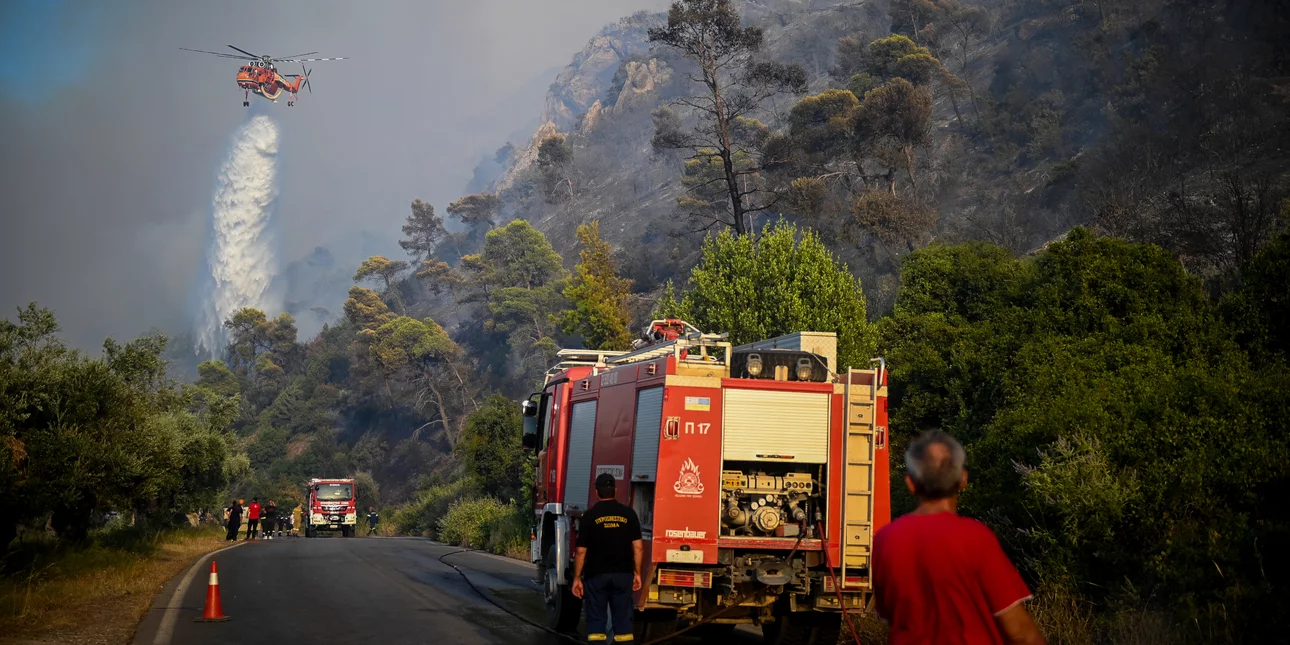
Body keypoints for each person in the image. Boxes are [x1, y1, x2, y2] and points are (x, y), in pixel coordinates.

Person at [872, 430, 1046, 645]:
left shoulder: (884, 540)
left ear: (910, 484)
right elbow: (1019, 630)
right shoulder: (976, 537)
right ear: (963, 479)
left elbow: (890, 615)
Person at [571, 473, 643, 643]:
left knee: (596, 621)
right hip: (623, 576)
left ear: (597, 492)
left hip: (596, 577)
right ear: (615, 490)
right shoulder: (629, 514)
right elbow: (638, 547)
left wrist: (577, 578)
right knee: (623, 622)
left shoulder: (589, 516)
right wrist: (637, 573)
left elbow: (581, 551)